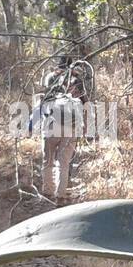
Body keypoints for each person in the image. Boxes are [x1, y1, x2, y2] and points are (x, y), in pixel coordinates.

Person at [37, 55, 88, 203]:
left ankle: (47, 192)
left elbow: (42, 99)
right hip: (70, 127)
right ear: (71, 67)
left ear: (58, 66)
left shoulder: (49, 78)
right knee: (64, 163)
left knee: (48, 161)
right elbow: (86, 103)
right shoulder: (76, 81)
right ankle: (60, 195)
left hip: (50, 124)